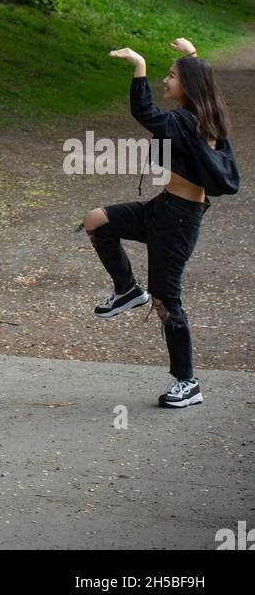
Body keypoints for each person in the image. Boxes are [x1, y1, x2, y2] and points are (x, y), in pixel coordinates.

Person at [82, 37, 240, 409]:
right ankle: (126, 289)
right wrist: (191, 56)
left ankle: (187, 382)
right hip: (162, 207)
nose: (165, 81)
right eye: (164, 75)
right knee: (96, 221)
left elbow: (145, 113)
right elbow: (200, 82)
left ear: (188, 86)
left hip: (179, 220)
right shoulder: (200, 113)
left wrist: (139, 66)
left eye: (170, 76)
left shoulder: (187, 121)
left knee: (167, 300)